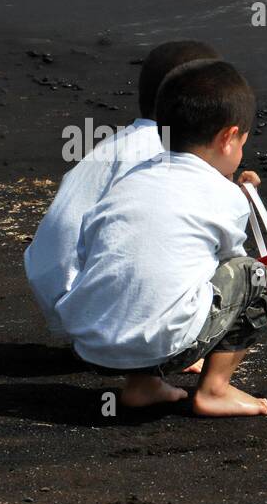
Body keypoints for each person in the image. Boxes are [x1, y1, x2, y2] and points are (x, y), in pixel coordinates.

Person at [56, 60, 267, 416]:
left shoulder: (131, 180)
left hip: (92, 344)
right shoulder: (225, 196)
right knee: (257, 278)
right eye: (242, 142)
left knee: (142, 274)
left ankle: (142, 386)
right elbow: (230, 267)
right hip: (161, 345)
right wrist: (241, 197)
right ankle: (214, 390)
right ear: (228, 138)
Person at [24, 40, 231, 335]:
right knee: (234, 266)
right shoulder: (166, 152)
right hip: (102, 314)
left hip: (60, 302)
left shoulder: (112, 145)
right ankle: (171, 347)